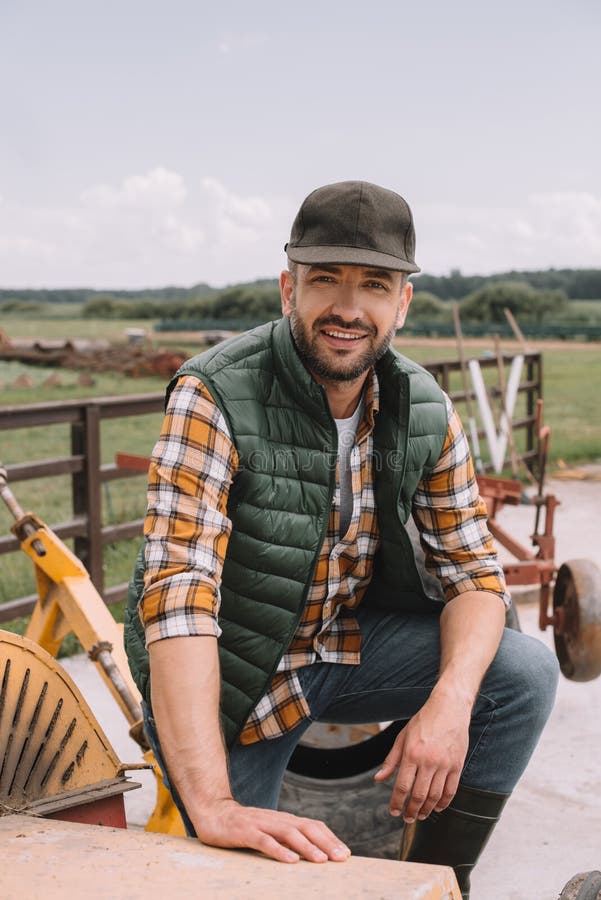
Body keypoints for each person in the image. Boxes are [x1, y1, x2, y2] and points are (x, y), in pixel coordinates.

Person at [125, 181, 559, 898]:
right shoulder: (214, 394)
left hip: (345, 646)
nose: (348, 308)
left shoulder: (422, 408)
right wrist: (211, 805)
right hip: (239, 676)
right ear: (287, 287)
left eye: (374, 285)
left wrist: (448, 709)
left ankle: (430, 884)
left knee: (519, 674)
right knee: (240, 875)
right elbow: (178, 595)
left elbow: (475, 574)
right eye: (324, 279)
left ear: (402, 303)